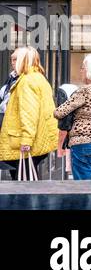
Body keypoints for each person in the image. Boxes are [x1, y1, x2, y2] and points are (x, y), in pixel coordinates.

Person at [52, 53, 91, 180]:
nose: (81, 71)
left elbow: (59, 112)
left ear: (89, 71)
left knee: (83, 186)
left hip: (83, 142)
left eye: (82, 68)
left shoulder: (84, 91)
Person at [0, 47, 58, 180]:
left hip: (25, 140)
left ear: (23, 60)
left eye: (15, 59)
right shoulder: (37, 78)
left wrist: (26, 139)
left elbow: (29, 113)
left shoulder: (26, 81)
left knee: (22, 181)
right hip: (36, 137)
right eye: (11, 59)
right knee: (27, 178)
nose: (12, 62)